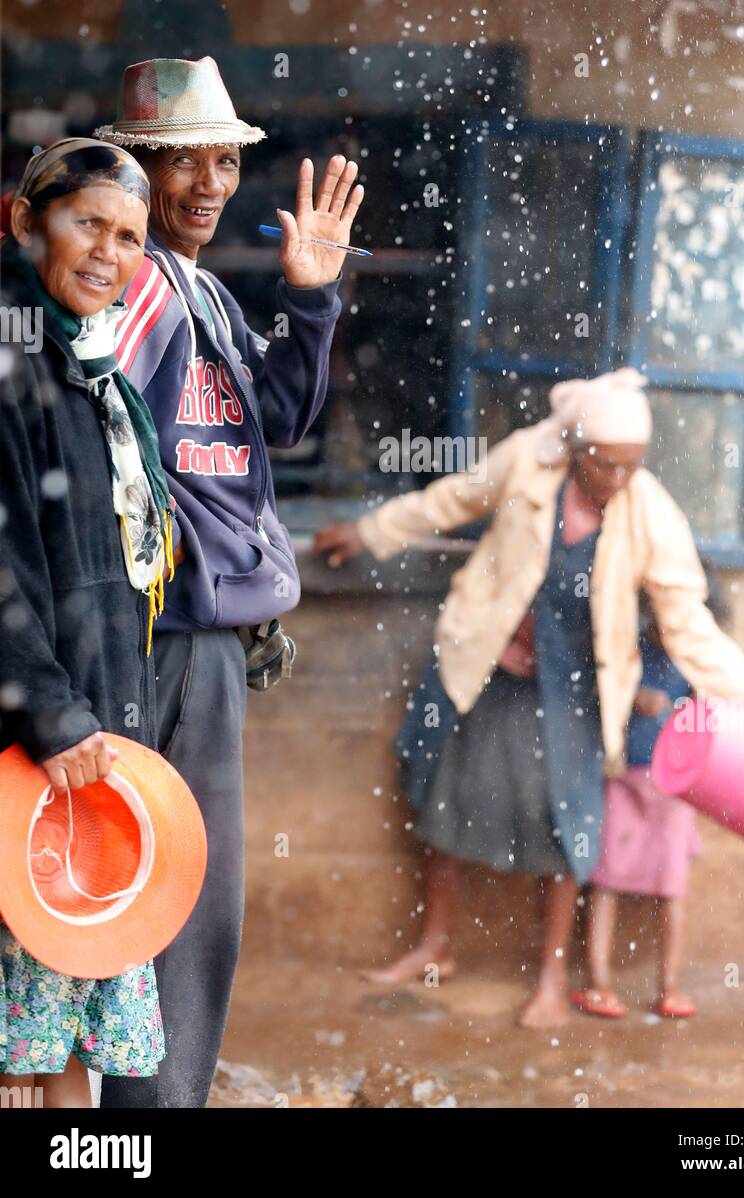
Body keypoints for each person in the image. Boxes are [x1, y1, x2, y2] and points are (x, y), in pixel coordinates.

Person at [314, 369, 744, 1029]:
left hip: (578, 687)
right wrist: (370, 531)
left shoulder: (652, 514)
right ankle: (434, 946)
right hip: (492, 660)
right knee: (447, 792)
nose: (617, 480)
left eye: (630, 467)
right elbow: (453, 499)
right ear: (579, 450)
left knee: (568, 823)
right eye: (606, 465)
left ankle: (552, 977)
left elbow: (688, 621)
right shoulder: (530, 461)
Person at [93, 56, 364, 1108]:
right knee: (172, 897)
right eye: (179, 163)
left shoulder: (197, 289)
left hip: (200, 649)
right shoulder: (136, 286)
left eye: (221, 160)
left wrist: (311, 295)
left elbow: (280, 421)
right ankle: (145, 1115)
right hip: (157, 635)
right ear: (134, 172)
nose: (207, 183)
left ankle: (152, 1104)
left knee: (178, 891)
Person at [0, 139, 172, 1104]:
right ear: (26, 222)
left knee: (66, 1049)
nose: (109, 253)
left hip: (80, 747)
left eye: (129, 239)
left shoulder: (85, 364)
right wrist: (52, 712)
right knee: (20, 1060)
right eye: (87, 224)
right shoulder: (11, 357)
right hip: (30, 749)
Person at [575, 591, 722, 1021]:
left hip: (675, 792)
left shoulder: (698, 663)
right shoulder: (629, 651)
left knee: (672, 887)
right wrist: (631, 700)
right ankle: (598, 983)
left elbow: (713, 719)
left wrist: (687, 708)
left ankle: (670, 988)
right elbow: (600, 690)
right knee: (606, 881)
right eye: (660, 615)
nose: (667, 625)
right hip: (623, 779)